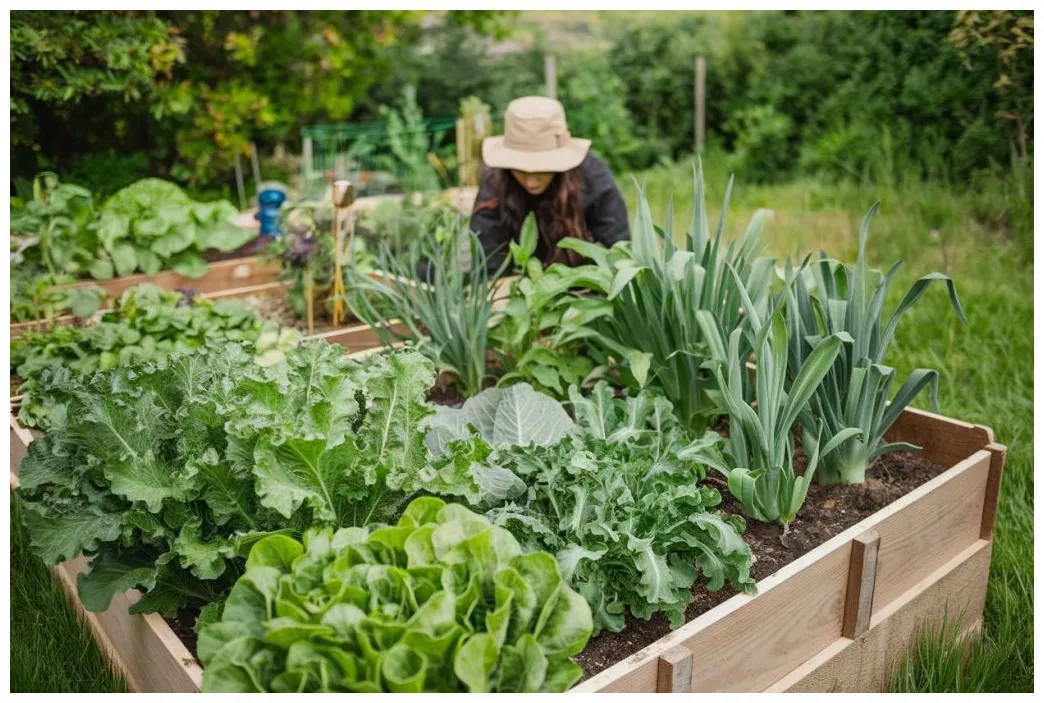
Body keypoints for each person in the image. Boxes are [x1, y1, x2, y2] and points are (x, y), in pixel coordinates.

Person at [470, 96, 630, 273]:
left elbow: (618, 251)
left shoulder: (594, 178)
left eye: (541, 169)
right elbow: (488, 259)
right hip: (514, 283)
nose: (531, 182)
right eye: (520, 170)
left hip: (585, 284)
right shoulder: (495, 182)